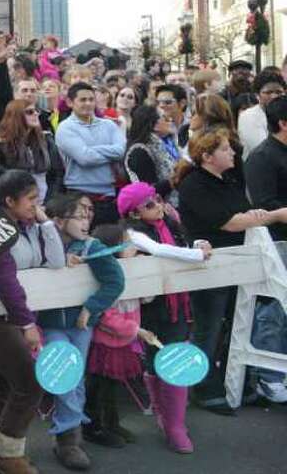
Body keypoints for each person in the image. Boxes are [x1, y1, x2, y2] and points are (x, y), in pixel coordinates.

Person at [173, 130, 287, 414]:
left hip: (238, 262)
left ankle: (235, 381)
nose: (233, 153)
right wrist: (275, 215)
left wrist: (257, 217)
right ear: (207, 156)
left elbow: (244, 215)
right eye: (225, 149)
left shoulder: (228, 180)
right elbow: (229, 222)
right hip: (210, 266)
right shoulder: (194, 185)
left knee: (237, 325)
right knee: (208, 328)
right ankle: (203, 387)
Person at [0, 170, 65, 474]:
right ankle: (8, 452)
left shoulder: (27, 225)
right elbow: (3, 278)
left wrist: (45, 223)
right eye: (30, 199)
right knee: (30, 382)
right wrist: (27, 324)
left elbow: (56, 262)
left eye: (38, 198)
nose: (36, 204)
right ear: (9, 201)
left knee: (3, 382)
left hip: (17, 314)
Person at [118, 182, 211, 453]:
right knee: (155, 359)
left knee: (176, 358)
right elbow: (159, 250)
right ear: (134, 213)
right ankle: (164, 415)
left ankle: (175, 425)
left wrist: (197, 244)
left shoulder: (171, 223)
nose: (158, 205)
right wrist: (196, 254)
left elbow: (182, 244)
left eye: (157, 199)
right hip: (151, 306)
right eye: (149, 204)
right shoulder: (133, 233)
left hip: (178, 303)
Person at [37, 193, 124, 468]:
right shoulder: (41, 243)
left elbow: (115, 281)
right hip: (50, 324)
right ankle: (68, 435)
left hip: (80, 325)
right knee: (62, 375)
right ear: (59, 221)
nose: (86, 221)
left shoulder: (92, 246)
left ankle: (70, 438)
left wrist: (90, 308)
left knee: (74, 377)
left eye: (88, 215)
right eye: (79, 216)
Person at [237, 94, 287, 404]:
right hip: (276, 245)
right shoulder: (262, 158)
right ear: (283, 123)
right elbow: (265, 205)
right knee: (274, 310)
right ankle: (269, 377)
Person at [55, 82, 126, 226]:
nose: (88, 103)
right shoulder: (65, 128)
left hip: (109, 196)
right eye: (83, 100)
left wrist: (91, 149)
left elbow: (121, 151)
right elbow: (85, 158)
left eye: (91, 99)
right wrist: (109, 151)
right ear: (70, 102)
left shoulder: (109, 125)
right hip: (79, 196)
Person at [0, 100, 58, 202]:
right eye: (30, 112)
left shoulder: (45, 140)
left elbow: (57, 174)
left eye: (36, 110)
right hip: (14, 203)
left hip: (45, 202)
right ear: (16, 116)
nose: (36, 114)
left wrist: (49, 202)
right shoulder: (0, 146)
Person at [122, 104, 180, 205]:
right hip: (153, 208)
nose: (170, 121)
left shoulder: (162, 144)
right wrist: (176, 179)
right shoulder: (139, 152)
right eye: (165, 118)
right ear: (155, 125)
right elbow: (148, 190)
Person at [238, 70, 286, 159]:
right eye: (268, 92)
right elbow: (264, 149)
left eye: (279, 92)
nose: (274, 96)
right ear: (257, 95)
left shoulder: (283, 113)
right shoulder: (248, 117)